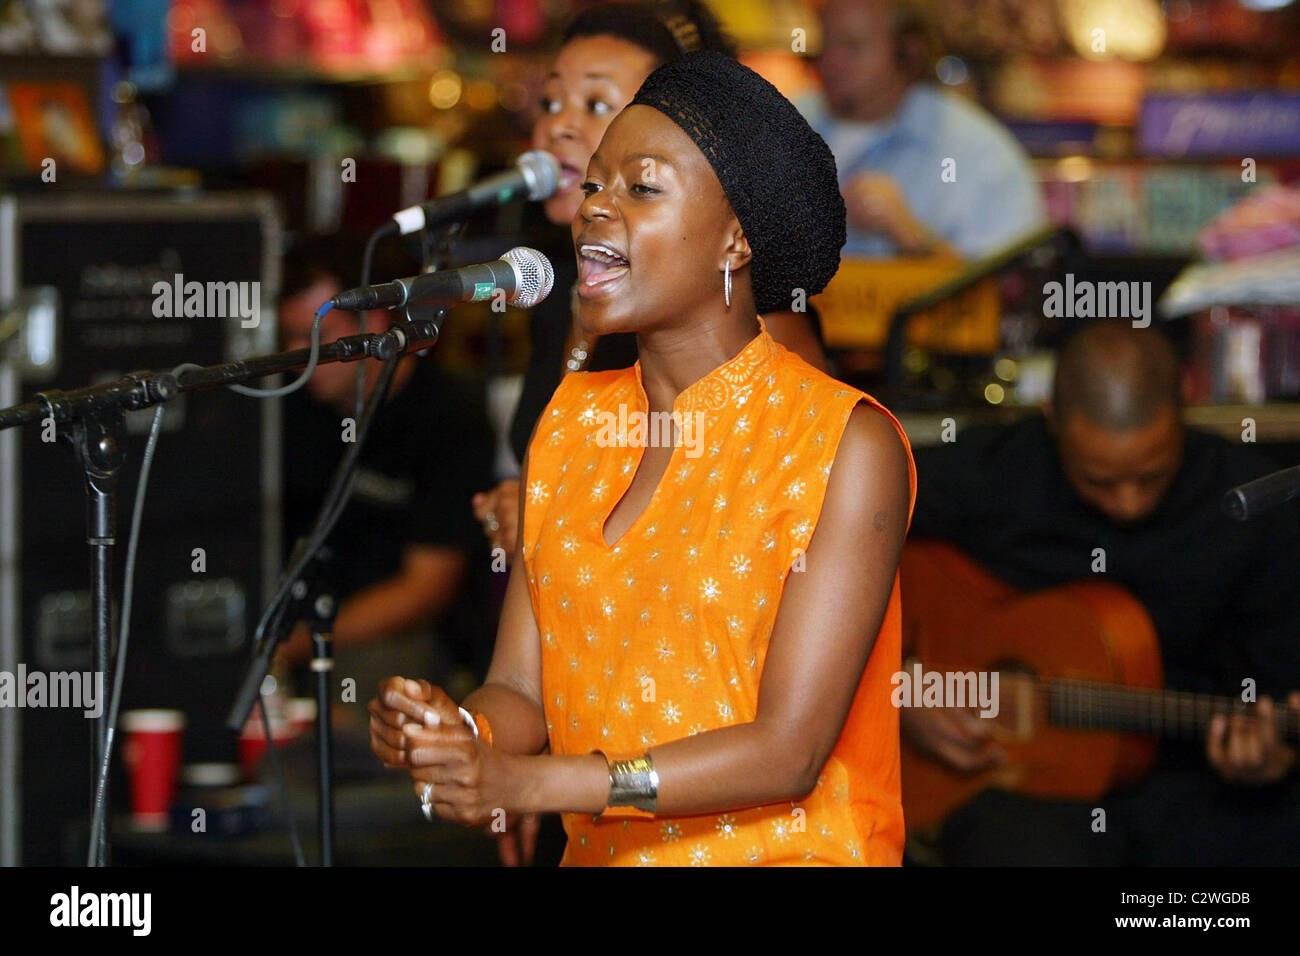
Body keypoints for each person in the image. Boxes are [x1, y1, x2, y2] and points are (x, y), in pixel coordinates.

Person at [368, 51, 915, 866]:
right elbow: (521, 686)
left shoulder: (843, 439)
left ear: (736, 239)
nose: (597, 209)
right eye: (593, 186)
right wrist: (463, 739)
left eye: (642, 187)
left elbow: (788, 750)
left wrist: (529, 785)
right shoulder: (574, 417)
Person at [904, 321, 1300, 865]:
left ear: (1185, 404)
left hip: (1197, 786)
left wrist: (1273, 755)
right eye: (1097, 480)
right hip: (1024, 792)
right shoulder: (994, 473)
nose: (1129, 503)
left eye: (1152, 475)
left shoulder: (1255, 506)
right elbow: (830, 536)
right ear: (1052, 421)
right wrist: (897, 686)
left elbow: (1280, 686)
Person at [473, 0, 830, 566]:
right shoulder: (560, 291)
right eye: (549, 101)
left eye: (596, 104)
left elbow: (774, 530)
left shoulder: (758, 317)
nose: (556, 126)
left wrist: (556, 523)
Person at [276, 236, 497, 711]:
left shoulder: (447, 414)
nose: (301, 354)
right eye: (291, 336)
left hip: (407, 636)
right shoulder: (292, 404)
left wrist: (296, 644)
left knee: (369, 686)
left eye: (318, 335)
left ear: (374, 321)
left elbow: (426, 589)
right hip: (300, 618)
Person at [802, 0, 1046, 258]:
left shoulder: (980, 156)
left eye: (854, 46)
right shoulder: (778, 123)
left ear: (909, 52)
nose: (831, 61)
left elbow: (1009, 287)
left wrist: (913, 238)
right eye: (827, 41)